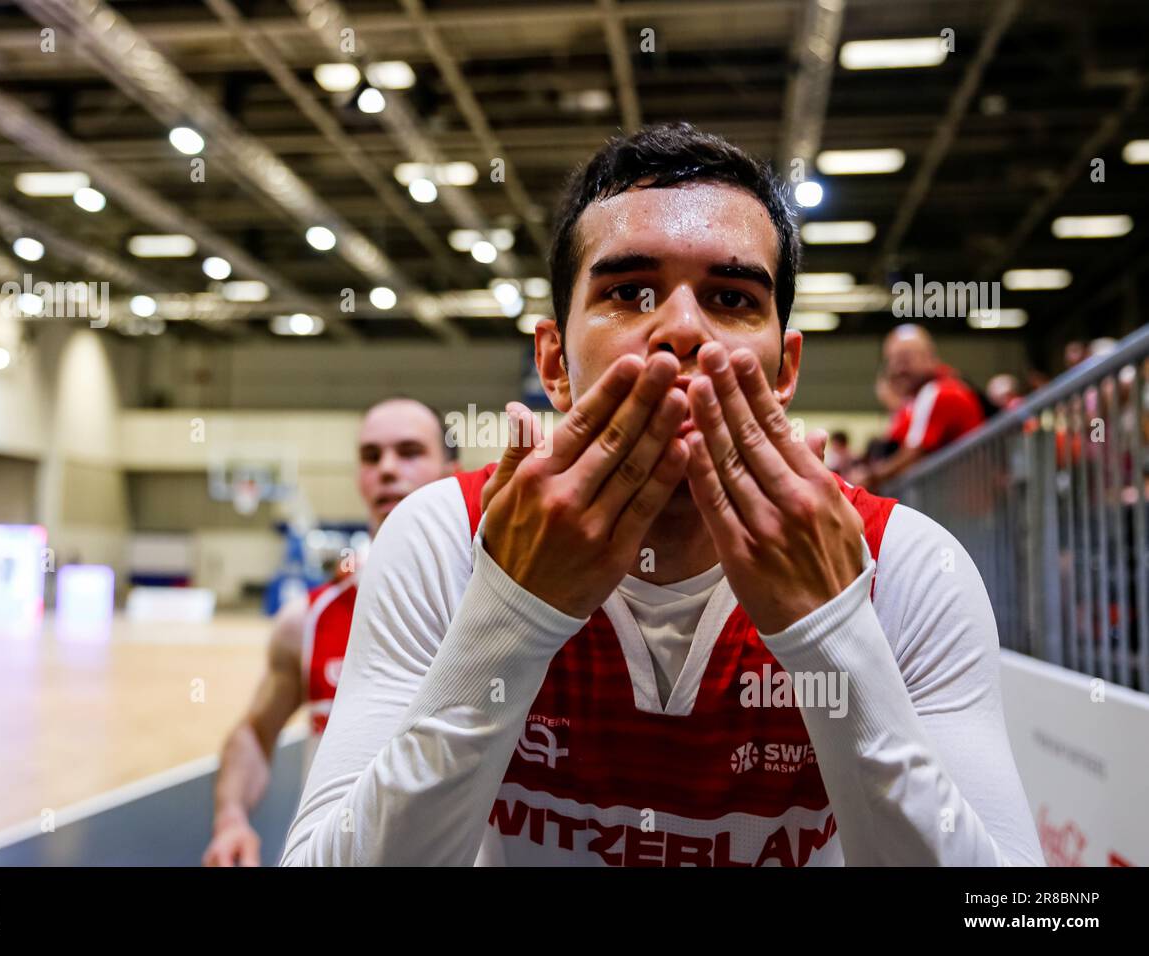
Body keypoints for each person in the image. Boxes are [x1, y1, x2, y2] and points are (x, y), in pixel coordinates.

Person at [282, 122, 1043, 866]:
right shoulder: (442, 539)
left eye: (733, 298)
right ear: (552, 362)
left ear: (784, 371)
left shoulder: (907, 565)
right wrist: (510, 615)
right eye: (630, 291)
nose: (681, 329)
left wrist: (831, 633)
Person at [202, 397, 457, 866]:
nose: (386, 468)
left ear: (449, 471)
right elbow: (255, 734)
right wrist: (231, 818)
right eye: (370, 456)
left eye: (409, 451)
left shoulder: (486, 612)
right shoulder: (307, 621)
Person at [856, 324, 986, 487]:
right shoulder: (927, 396)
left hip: (964, 499)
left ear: (930, 358)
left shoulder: (937, 392)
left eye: (905, 359)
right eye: (892, 361)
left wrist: (870, 478)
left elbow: (913, 454)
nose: (897, 370)